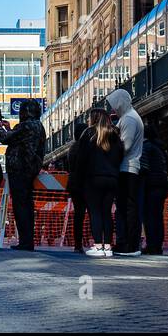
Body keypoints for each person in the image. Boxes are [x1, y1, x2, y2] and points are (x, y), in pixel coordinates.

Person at [0, 98, 45, 251]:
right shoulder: (38, 126)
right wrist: (10, 129)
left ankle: (25, 242)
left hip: (19, 169)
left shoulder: (26, 126)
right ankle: (27, 240)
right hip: (31, 169)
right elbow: (18, 139)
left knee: (20, 206)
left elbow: (5, 139)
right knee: (27, 205)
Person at [74, 106, 123, 258]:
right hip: (112, 179)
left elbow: (80, 159)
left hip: (93, 178)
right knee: (107, 212)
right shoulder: (114, 134)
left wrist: (79, 179)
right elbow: (120, 155)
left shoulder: (88, 134)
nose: (88, 120)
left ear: (94, 119)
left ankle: (97, 246)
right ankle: (108, 247)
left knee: (95, 212)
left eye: (89, 117)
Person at [107, 88, 143, 256]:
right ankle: (127, 242)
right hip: (129, 168)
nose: (113, 109)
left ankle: (128, 244)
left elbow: (125, 146)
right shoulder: (130, 117)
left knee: (126, 208)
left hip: (126, 169)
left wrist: (110, 151)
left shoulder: (128, 119)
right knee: (126, 207)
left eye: (114, 104)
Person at [137, 117, 168, 255]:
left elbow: (143, 167)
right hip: (162, 185)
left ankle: (151, 245)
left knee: (149, 216)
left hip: (150, 185)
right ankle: (157, 245)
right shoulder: (160, 147)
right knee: (157, 216)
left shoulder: (146, 147)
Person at [65, 116, 89, 253]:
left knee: (78, 215)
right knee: (92, 212)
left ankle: (78, 244)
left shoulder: (72, 148)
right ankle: (99, 242)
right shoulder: (87, 147)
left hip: (74, 184)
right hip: (86, 184)